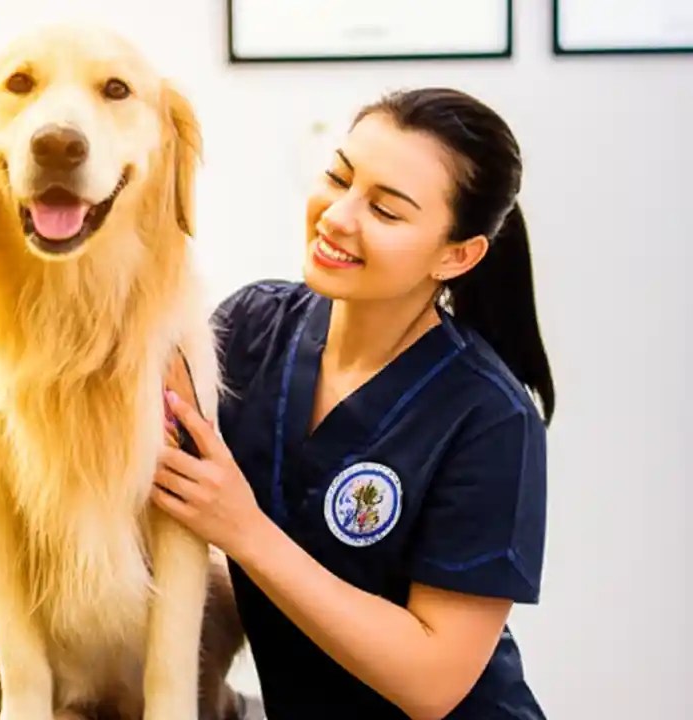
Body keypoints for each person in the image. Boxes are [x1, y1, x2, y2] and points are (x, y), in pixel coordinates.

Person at [152, 87, 553, 719]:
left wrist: (244, 530)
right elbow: (135, 441)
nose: (337, 216)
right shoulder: (251, 329)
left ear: (457, 254)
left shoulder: (488, 417)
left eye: (386, 211)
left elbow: (433, 682)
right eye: (339, 176)